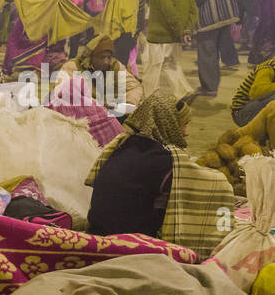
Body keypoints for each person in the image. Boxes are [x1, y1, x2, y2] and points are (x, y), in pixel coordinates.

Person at [85, 92, 233, 256]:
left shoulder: (122, 145)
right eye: (184, 124)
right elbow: (212, 184)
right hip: (130, 247)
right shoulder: (164, 161)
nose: (187, 132)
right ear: (168, 124)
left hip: (97, 235)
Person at [194, 0, 246, 98]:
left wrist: (194, 3)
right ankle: (213, 84)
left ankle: (209, 87)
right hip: (224, 16)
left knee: (207, 51)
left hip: (211, 18)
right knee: (214, 51)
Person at [142, 0, 196, 102]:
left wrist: (180, 31)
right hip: (175, 37)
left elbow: (170, 12)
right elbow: (193, 11)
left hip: (159, 36)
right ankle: (184, 91)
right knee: (170, 65)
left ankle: (149, 97)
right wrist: (186, 31)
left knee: (152, 66)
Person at [60, 34, 142, 107]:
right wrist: (97, 105)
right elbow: (62, 92)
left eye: (109, 57)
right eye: (102, 57)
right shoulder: (73, 67)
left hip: (111, 111)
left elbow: (134, 87)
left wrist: (128, 103)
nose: (106, 61)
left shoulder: (115, 66)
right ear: (91, 57)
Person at [102, 0, 143, 67]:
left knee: (117, 64)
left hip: (121, 31)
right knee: (118, 64)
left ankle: (114, 84)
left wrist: (116, 27)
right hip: (125, 30)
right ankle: (115, 83)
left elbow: (125, 12)